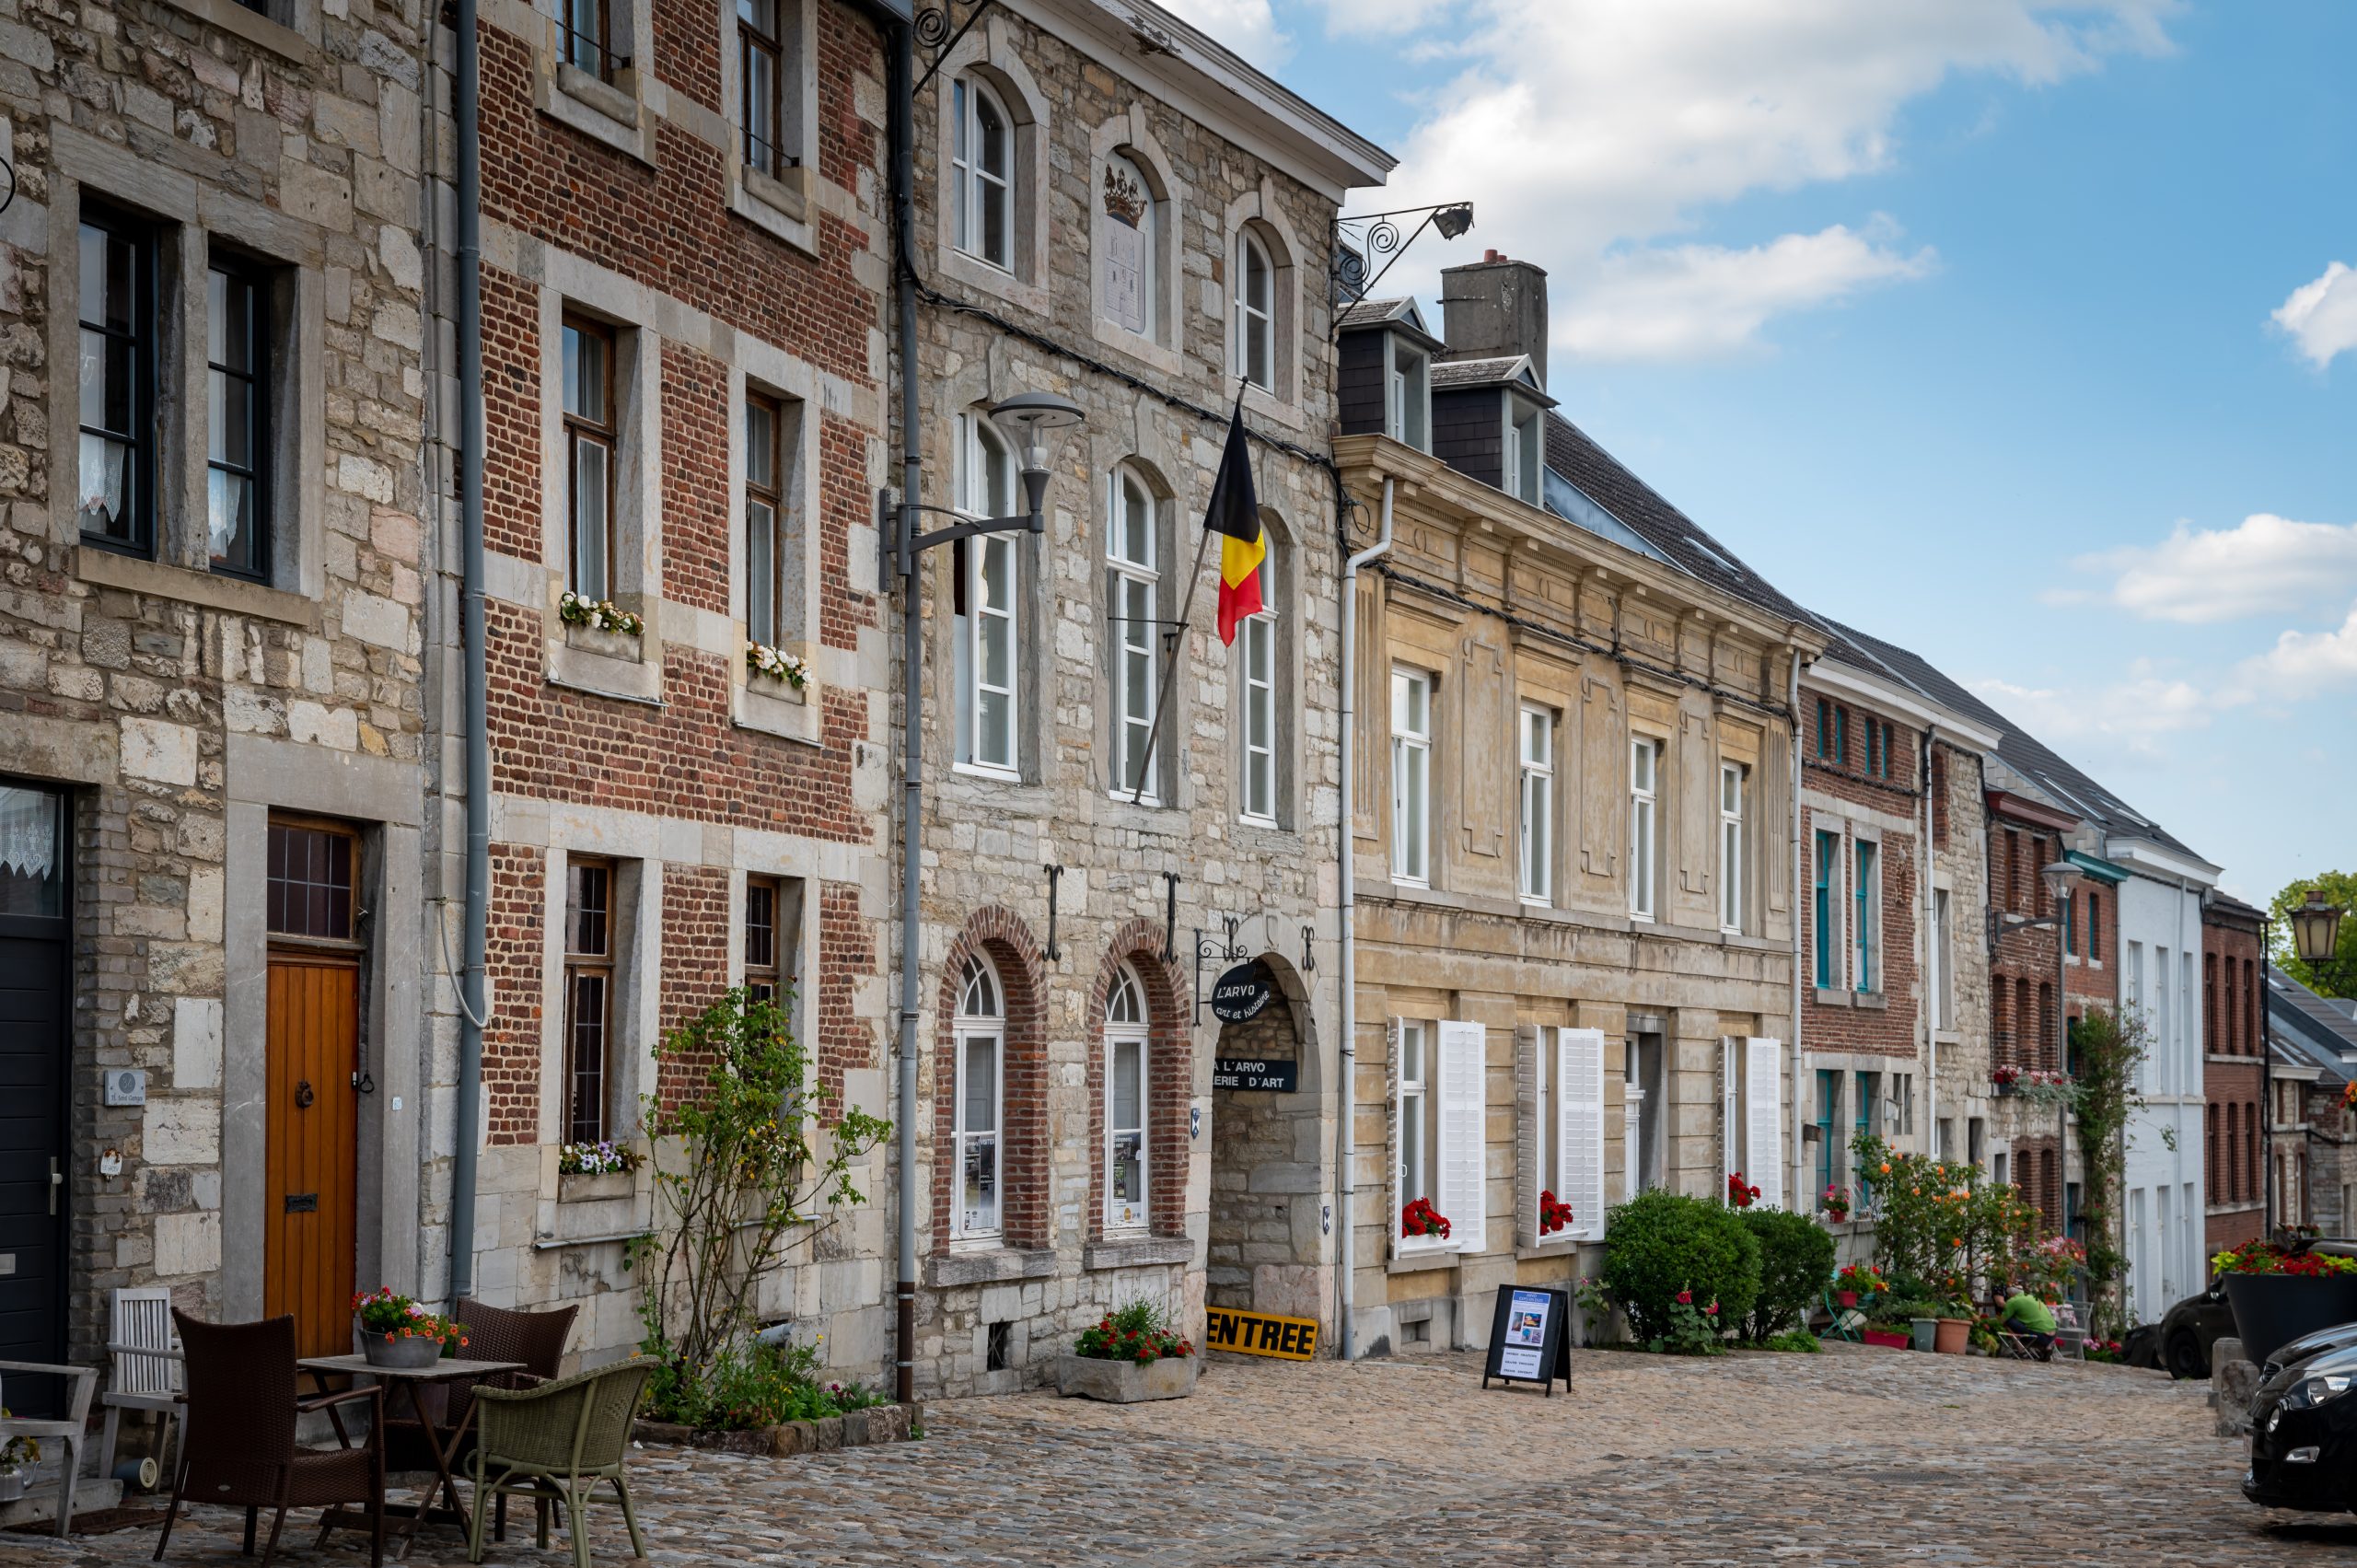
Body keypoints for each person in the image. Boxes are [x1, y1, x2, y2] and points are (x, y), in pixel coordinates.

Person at [2000, 1287, 2058, 1357]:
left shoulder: (2013, 1301)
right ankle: (2046, 1348)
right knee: (2032, 1324)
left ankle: (2020, 1347)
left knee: (2008, 1321)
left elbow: (2003, 1319)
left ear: (2010, 1294)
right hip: (2053, 1336)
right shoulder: (2034, 1298)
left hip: (2038, 1337)